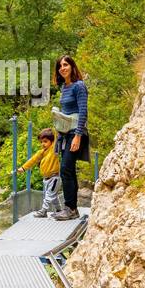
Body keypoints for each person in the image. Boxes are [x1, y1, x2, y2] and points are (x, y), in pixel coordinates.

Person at [51, 54, 89, 220]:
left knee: (66, 169)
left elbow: (83, 111)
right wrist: (59, 136)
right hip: (65, 134)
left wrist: (78, 136)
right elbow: (65, 113)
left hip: (75, 133)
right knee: (69, 170)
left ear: (72, 67)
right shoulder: (64, 88)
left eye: (66, 64)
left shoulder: (79, 86)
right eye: (60, 66)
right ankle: (72, 209)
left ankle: (70, 208)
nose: (62, 68)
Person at [15, 128, 63, 218]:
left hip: (54, 178)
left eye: (45, 141)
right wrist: (23, 168)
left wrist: (55, 128)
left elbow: (57, 138)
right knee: (53, 196)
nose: (43, 144)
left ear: (52, 142)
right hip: (46, 179)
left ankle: (43, 211)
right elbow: (33, 160)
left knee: (49, 196)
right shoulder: (42, 152)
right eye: (41, 142)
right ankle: (59, 210)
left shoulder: (54, 150)